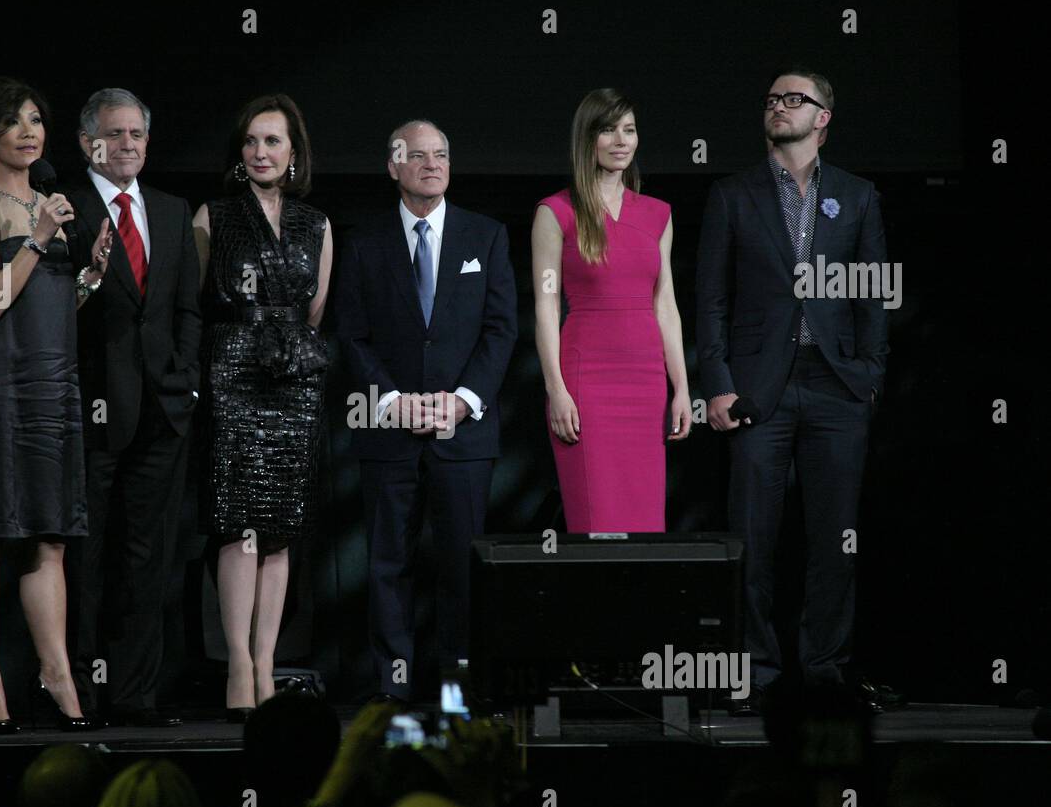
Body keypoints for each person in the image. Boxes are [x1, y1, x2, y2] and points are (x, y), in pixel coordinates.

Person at [696, 67, 892, 715]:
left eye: (794, 98)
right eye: (773, 98)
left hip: (836, 384)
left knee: (836, 537)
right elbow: (711, 302)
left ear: (823, 118)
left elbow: (872, 294)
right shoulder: (732, 194)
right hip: (758, 389)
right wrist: (718, 386)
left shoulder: (857, 196)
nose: (779, 106)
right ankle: (754, 670)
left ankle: (825, 670)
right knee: (752, 536)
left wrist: (868, 375)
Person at [336, 119, 517, 704]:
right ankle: (393, 692)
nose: (432, 164)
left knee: (462, 568)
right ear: (393, 166)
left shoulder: (485, 235)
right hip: (388, 435)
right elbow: (353, 335)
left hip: (463, 437)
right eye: (417, 156)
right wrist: (390, 402)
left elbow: (500, 329)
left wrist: (462, 403)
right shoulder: (362, 242)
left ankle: (456, 691)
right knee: (388, 565)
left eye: (440, 154)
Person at [0, 77, 111, 733]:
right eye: (14, 120)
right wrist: (41, 239)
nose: (29, 130)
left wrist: (90, 278)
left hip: (54, 387)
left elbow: (47, 304)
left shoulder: (52, 202)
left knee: (51, 534)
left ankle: (58, 679)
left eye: (37, 119)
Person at [66, 88, 203, 728]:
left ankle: (135, 697)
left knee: (148, 558)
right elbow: (54, 311)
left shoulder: (173, 211)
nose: (127, 146)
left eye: (137, 135)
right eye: (114, 135)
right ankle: (80, 697)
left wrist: (188, 382)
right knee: (88, 556)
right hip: (92, 408)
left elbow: (186, 309)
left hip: (164, 409)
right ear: (89, 142)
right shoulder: (64, 210)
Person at [192, 94, 332, 723]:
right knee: (236, 527)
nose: (261, 152)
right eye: (251, 141)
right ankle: (239, 667)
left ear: (293, 152)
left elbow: (313, 312)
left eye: (273, 141)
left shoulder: (316, 224)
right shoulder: (214, 216)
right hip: (233, 374)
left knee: (279, 533)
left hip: (294, 382)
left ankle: (268, 661)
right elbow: (193, 304)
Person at [533, 88, 691, 533]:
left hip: (645, 384)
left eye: (630, 130)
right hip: (586, 384)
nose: (622, 140)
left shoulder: (658, 214)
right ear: (588, 139)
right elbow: (545, 306)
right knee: (596, 525)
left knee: (644, 529)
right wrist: (556, 390)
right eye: (608, 130)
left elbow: (666, 305)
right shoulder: (556, 212)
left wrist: (680, 387)